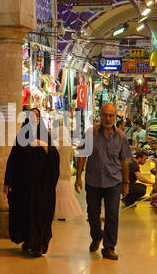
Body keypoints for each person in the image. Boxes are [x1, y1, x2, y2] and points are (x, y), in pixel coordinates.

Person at [75, 102, 133, 261]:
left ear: (115, 116)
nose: (108, 118)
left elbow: (125, 161)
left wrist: (126, 183)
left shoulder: (121, 136)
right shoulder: (90, 133)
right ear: (100, 115)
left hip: (114, 182)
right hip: (93, 181)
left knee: (112, 215)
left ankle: (109, 248)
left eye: (111, 115)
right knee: (92, 214)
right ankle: (96, 235)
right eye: (105, 115)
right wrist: (78, 177)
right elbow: (82, 155)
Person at [4, 108, 59, 256]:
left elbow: (54, 157)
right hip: (24, 185)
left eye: (37, 116)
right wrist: (8, 181)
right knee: (25, 212)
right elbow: (13, 159)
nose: (34, 118)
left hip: (42, 186)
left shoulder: (45, 136)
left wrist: (44, 146)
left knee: (41, 213)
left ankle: (39, 244)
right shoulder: (21, 136)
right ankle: (29, 240)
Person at [54, 119, 82, 221]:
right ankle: (62, 215)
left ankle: (54, 213)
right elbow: (71, 159)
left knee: (55, 196)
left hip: (56, 174)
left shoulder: (55, 144)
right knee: (65, 196)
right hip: (66, 174)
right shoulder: (69, 146)